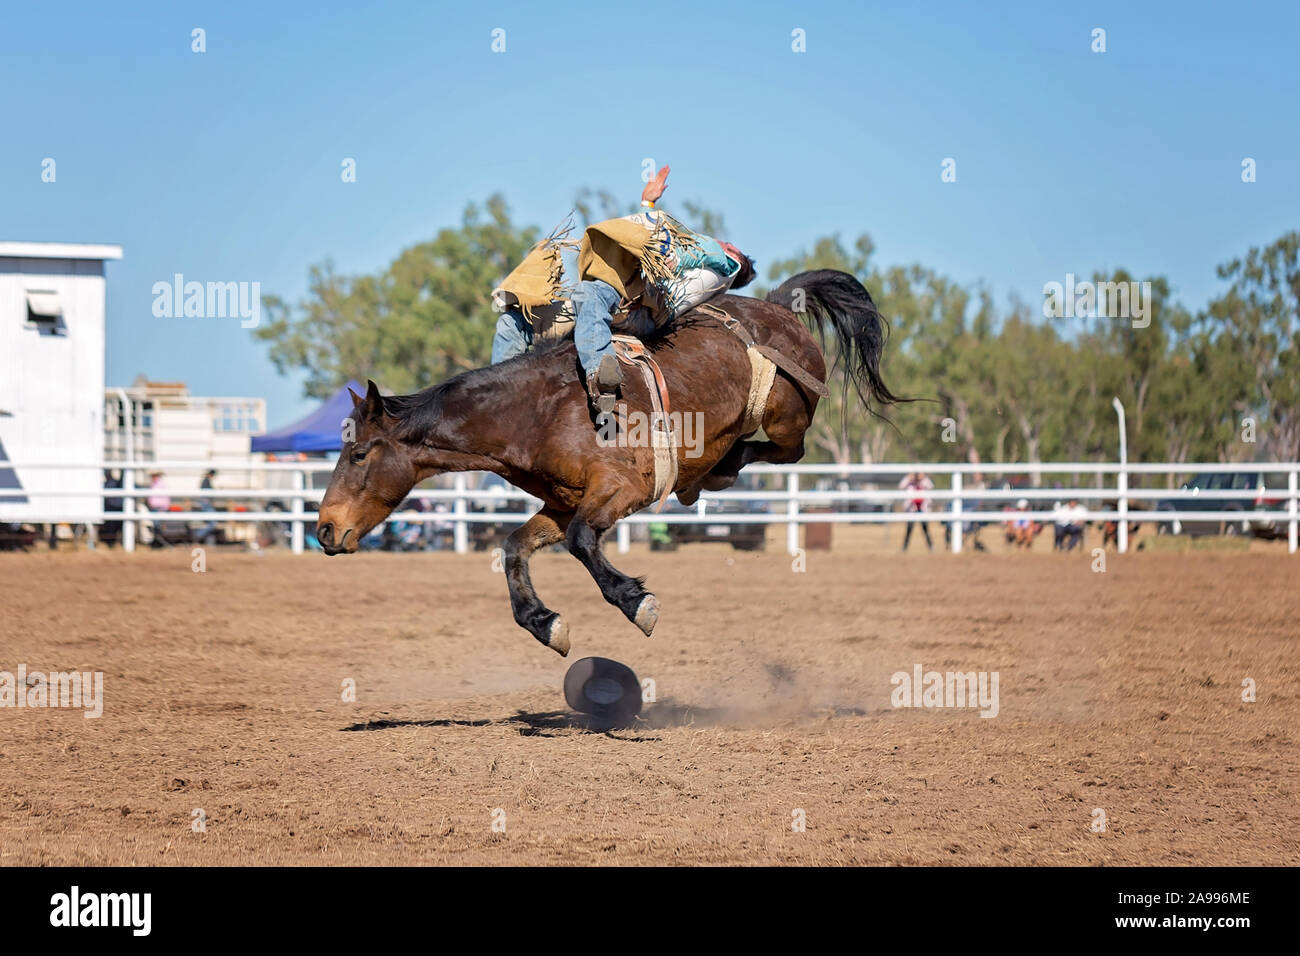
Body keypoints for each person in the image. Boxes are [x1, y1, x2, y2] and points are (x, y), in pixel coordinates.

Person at [490, 165, 756, 416]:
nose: (725, 242)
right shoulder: (702, 260)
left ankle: (600, 376)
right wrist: (648, 204)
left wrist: (676, 258)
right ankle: (500, 391)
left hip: (640, 309)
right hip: (615, 298)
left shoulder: (725, 263)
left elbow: (690, 251)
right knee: (516, 321)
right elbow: (649, 237)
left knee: (590, 293)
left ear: (736, 258)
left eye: (731, 245)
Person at [899, 472, 934, 551]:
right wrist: (909, 477)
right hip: (912, 508)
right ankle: (905, 547)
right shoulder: (910, 482)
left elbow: (931, 486)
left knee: (925, 528)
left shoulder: (924, 481)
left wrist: (923, 477)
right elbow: (901, 486)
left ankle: (930, 546)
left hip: (922, 508)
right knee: (909, 528)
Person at [146, 471, 172, 548]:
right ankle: (157, 542)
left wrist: (163, 508)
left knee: (157, 526)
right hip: (154, 508)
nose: (153, 477)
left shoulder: (160, 484)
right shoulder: (154, 484)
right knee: (155, 526)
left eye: (155, 475)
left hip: (159, 508)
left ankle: (158, 543)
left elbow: (165, 498)